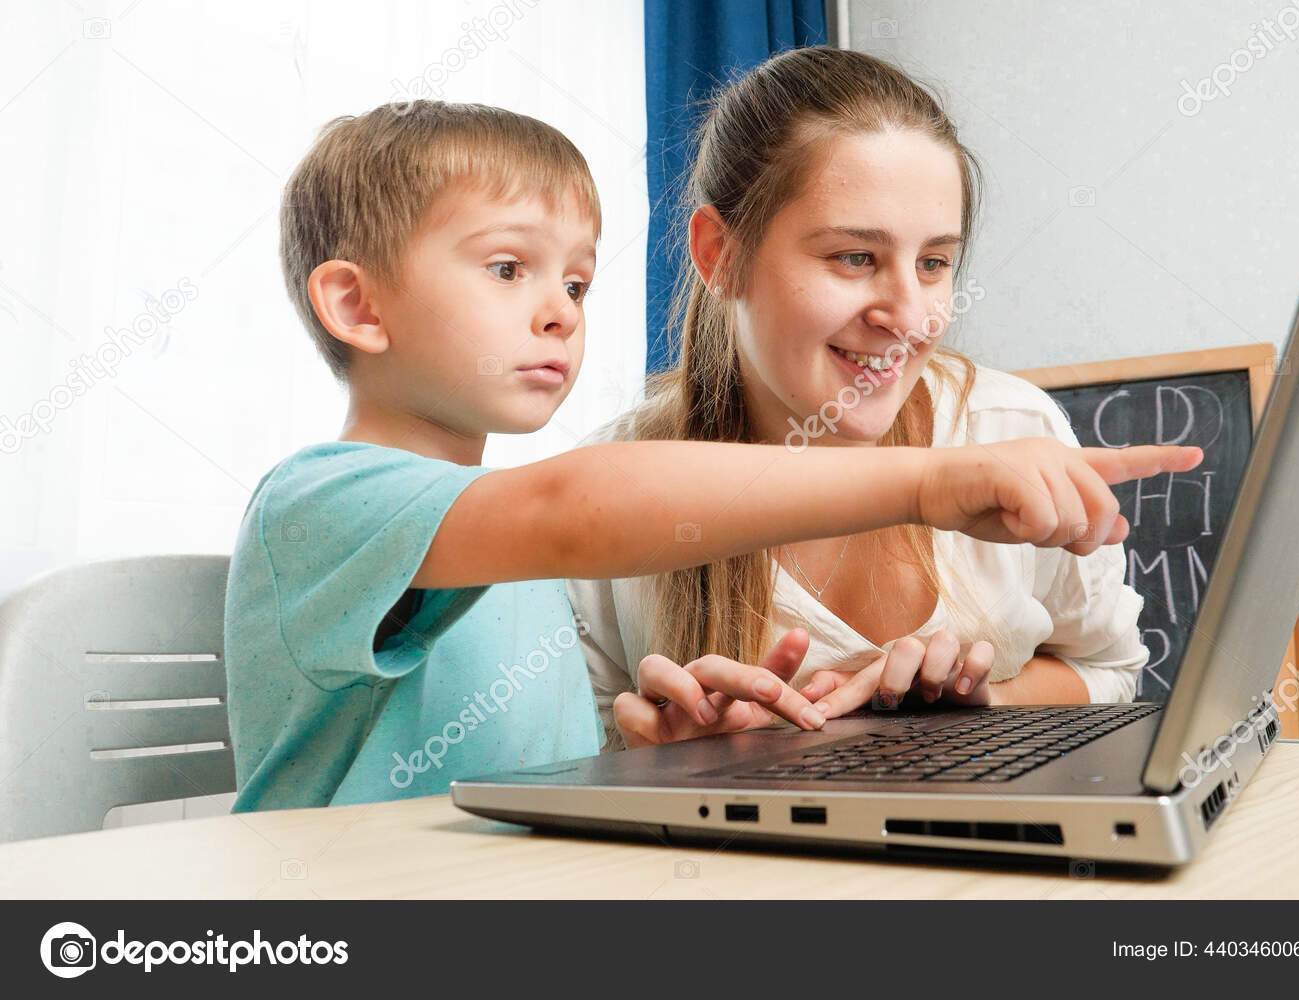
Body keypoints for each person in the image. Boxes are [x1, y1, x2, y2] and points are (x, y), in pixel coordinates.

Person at [225, 99, 1198, 810]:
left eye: (578, 278)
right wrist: (932, 481)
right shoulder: (320, 504)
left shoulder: (495, 543)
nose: (561, 308)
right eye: (508, 266)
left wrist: (674, 752)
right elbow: (578, 510)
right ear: (357, 303)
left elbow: (536, 762)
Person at [570, 48, 1196, 750]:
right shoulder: (609, 495)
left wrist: (984, 705)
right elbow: (587, 754)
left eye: (933, 263)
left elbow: (1110, 670)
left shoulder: (1011, 429)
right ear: (721, 255)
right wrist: (664, 761)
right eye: (855, 257)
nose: (909, 314)